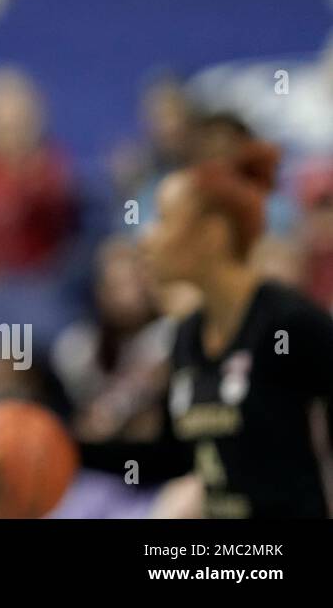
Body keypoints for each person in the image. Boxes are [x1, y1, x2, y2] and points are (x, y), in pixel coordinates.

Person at [81, 139, 333, 517]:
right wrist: (69, 449)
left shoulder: (289, 324)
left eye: (163, 219)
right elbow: (173, 458)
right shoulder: (187, 335)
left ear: (212, 234)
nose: (146, 238)